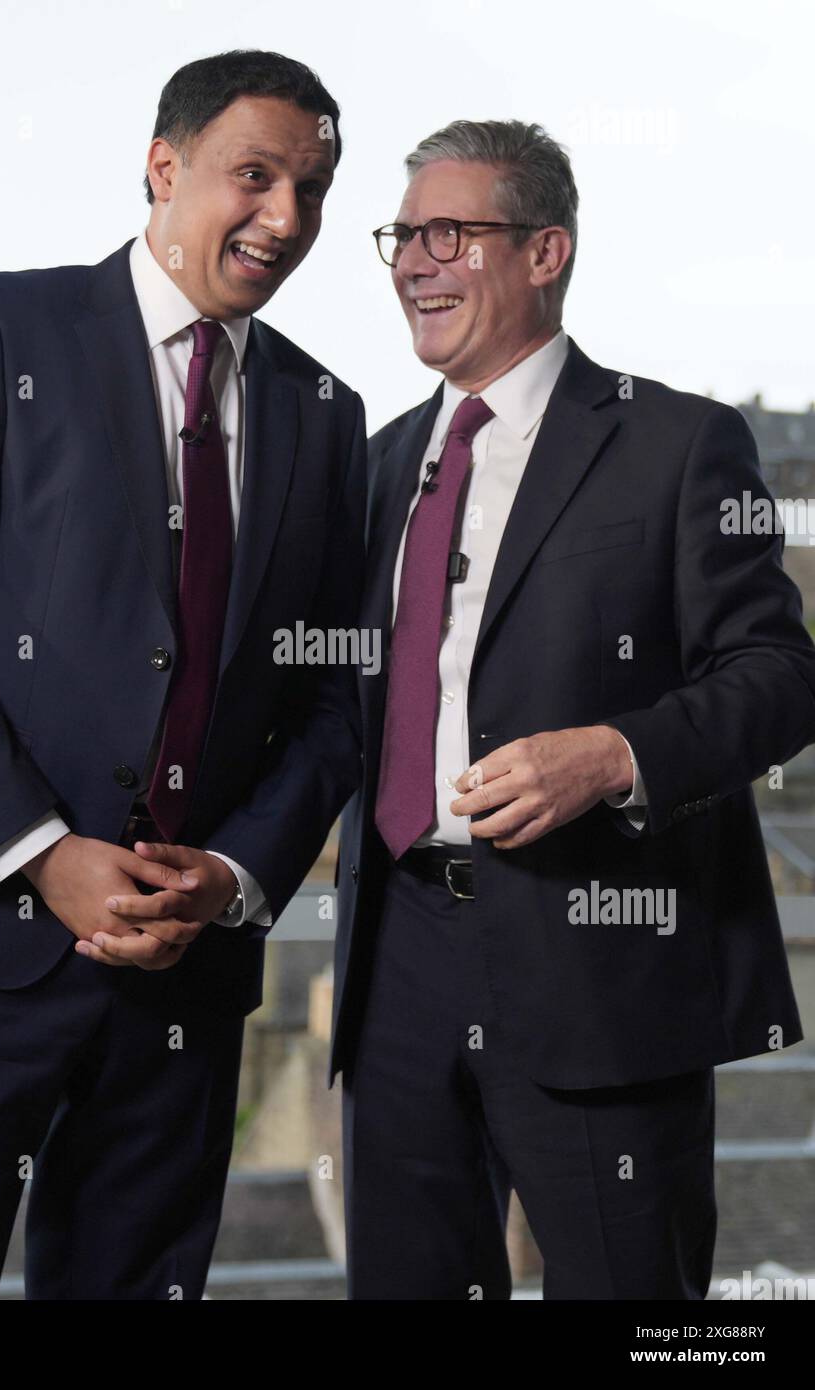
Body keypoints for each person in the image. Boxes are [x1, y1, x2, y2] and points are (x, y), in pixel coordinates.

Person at [0, 48, 365, 1300]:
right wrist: (43, 851)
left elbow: (341, 685)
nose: (285, 218)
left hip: (188, 963)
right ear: (162, 164)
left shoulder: (326, 410)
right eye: (255, 175)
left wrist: (235, 875)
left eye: (313, 189)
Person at [332, 118, 813, 1300]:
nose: (411, 261)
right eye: (402, 234)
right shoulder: (380, 462)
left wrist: (614, 755)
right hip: (393, 963)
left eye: (449, 232)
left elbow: (780, 675)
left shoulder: (680, 442)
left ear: (545, 252)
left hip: (598, 957)